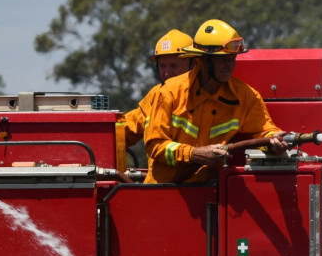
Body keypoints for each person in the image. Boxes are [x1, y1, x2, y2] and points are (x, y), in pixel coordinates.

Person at [143, 19, 289, 184]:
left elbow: (264, 131)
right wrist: (193, 154)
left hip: (208, 193)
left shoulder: (245, 96)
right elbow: (155, 145)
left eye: (232, 59)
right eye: (223, 59)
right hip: (162, 194)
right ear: (202, 60)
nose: (230, 66)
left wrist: (274, 141)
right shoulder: (169, 93)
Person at [115, 29, 196, 170]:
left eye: (174, 66)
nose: (166, 73)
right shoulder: (156, 95)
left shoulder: (203, 96)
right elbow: (128, 127)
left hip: (195, 183)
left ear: (193, 65)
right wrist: (97, 134)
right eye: (162, 66)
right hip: (159, 185)